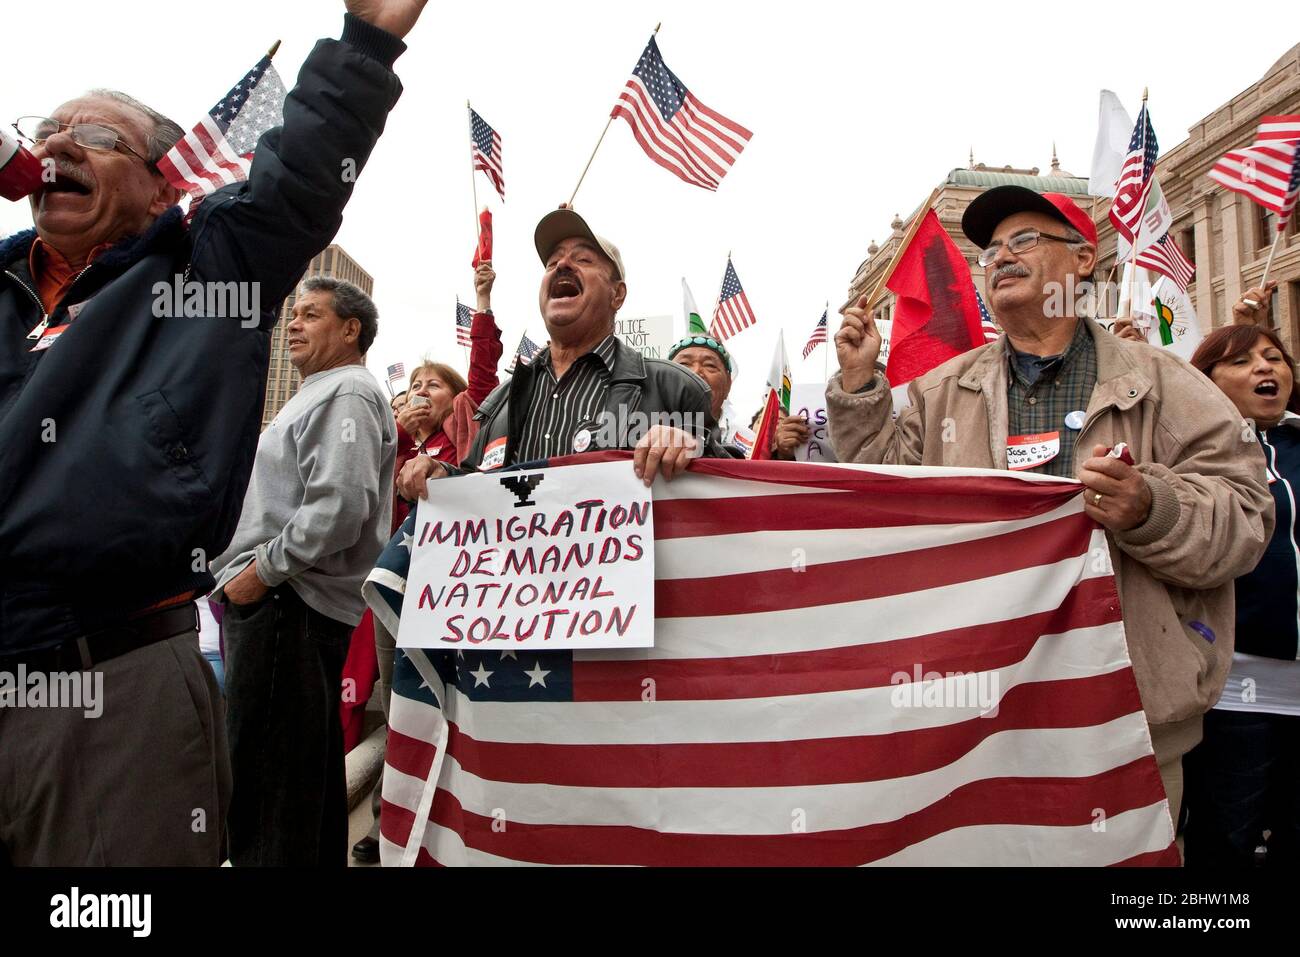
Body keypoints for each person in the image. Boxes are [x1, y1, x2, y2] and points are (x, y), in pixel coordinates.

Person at [0, 0, 423, 866]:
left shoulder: (204, 268)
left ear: (162, 185)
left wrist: (366, 43)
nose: (61, 144)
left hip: (105, 685)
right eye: (47, 130)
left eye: (98, 136)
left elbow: (296, 178)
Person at [826, 185, 1274, 822]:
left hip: (1125, 716)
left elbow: (1245, 519)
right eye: (991, 251)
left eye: (1024, 240)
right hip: (974, 715)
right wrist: (859, 385)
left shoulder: (1166, 382)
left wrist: (1152, 507)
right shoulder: (942, 391)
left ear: (1084, 261)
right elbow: (881, 504)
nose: (1001, 257)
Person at [209, 277, 397, 866]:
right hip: (288, 606)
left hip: (286, 605)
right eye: (294, 313)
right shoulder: (324, 392)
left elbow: (340, 504)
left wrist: (259, 574)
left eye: (311, 315)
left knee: (267, 790)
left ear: (351, 330)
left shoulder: (346, 392)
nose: (293, 324)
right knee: (300, 786)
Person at [396, 206, 722, 503]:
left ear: (617, 294)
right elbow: (477, 490)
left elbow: (742, 486)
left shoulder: (673, 388)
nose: (562, 264)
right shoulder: (500, 403)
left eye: (583, 259)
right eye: (552, 263)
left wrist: (692, 448)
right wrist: (439, 475)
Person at [351, 261, 502, 865]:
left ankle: (458, 814)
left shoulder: (469, 427)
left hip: (456, 591)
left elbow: (486, 372)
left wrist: (483, 301)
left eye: (432, 384)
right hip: (399, 593)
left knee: (456, 702)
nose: (421, 392)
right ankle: (393, 817)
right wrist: (398, 439)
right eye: (412, 385)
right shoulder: (390, 444)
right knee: (399, 706)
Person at [1183, 321, 1300, 867]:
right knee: (1227, 839)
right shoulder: (1187, 452)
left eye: (1275, 357)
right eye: (1243, 360)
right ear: (1204, 380)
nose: (1265, 368)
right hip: (1235, 692)